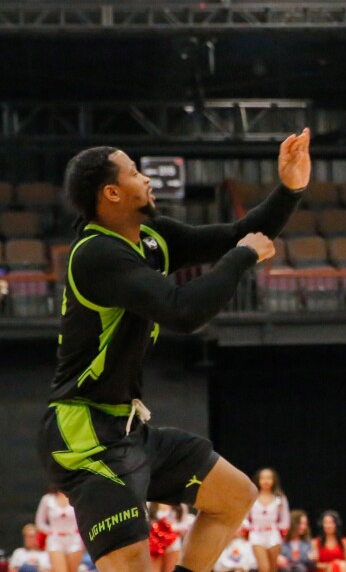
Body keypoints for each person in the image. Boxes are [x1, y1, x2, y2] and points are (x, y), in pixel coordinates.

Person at [38, 130, 312, 572]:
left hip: (127, 429)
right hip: (83, 435)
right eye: (134, 172)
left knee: (234, 494)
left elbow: (242, 232)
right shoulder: (95, 253)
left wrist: (291, 187)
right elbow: (182, 312)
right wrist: (241, 259)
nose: (146, 179)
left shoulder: (152, 238)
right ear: (111, 193)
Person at [248, 468, 291, 572]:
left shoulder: (279, 498)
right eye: (262, 478)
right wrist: (247, 527)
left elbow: (285, 519)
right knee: (264, 568)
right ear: (258, 480)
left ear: (274, 480)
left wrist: (280, 529)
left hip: (273, 535)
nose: (266, 481)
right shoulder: (252, 497)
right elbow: (244, 516)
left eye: (269, 478)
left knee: (272, 568)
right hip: (256, 534)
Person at [34, 489, 83, 572]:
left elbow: (83, 518)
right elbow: (40, 522)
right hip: (55, 540)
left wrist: (77, 530)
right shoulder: (47, 499)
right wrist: (51, 531)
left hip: (74, 539)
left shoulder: (76, 496)